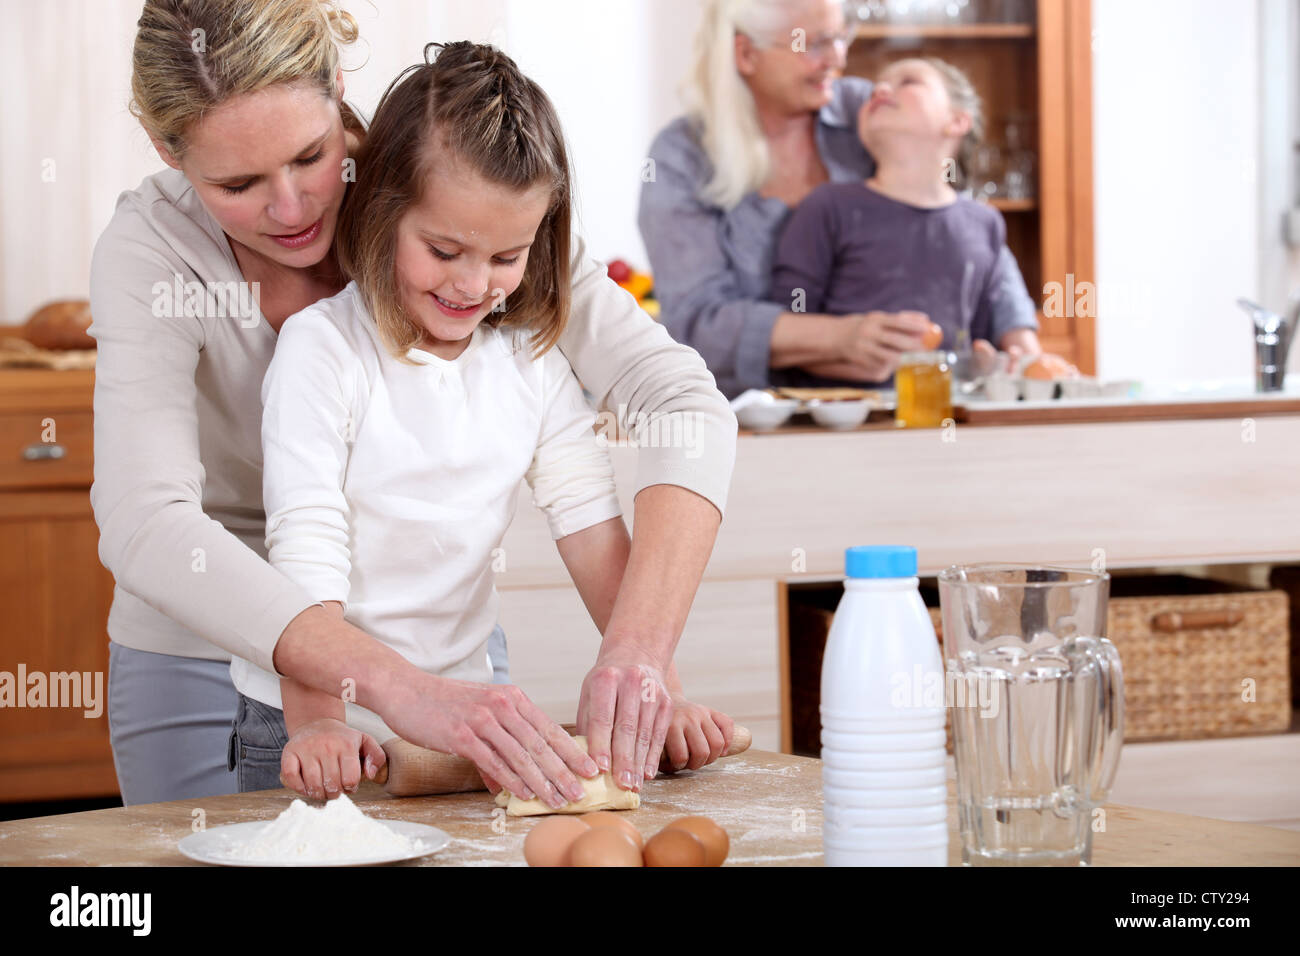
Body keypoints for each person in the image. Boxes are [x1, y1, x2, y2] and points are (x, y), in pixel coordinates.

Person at [90, 0, 736, 808]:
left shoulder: (455, 191)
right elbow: (144, 519)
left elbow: (678, 400)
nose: (291, 209)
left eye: (310, 155)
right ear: (166, 151)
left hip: (441, 658)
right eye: (238, 183)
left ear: (336, 88)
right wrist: (382, 689)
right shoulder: (152, 251)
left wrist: (641, 655)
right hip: (201, 646)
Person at [638, 0, 1041, 398]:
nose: (838, 59)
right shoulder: (682, 157)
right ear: (747, 54)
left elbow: (959, 223)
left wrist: (1020, 342)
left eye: (840, 36)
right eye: (815, 44)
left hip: (915, 400)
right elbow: (696, 323)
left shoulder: (862, 110)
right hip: (751, 414)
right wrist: (839, 337)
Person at [769, 57, 1058, 386]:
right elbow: (786, 324)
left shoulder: (984, 223)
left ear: (957, 121)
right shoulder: (827, 207)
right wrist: (844, 358)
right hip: (851, 420)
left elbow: (993, 340)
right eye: (878, 84)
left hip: (945, 414)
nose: (878, 89)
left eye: (908, 82)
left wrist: (989, 364)